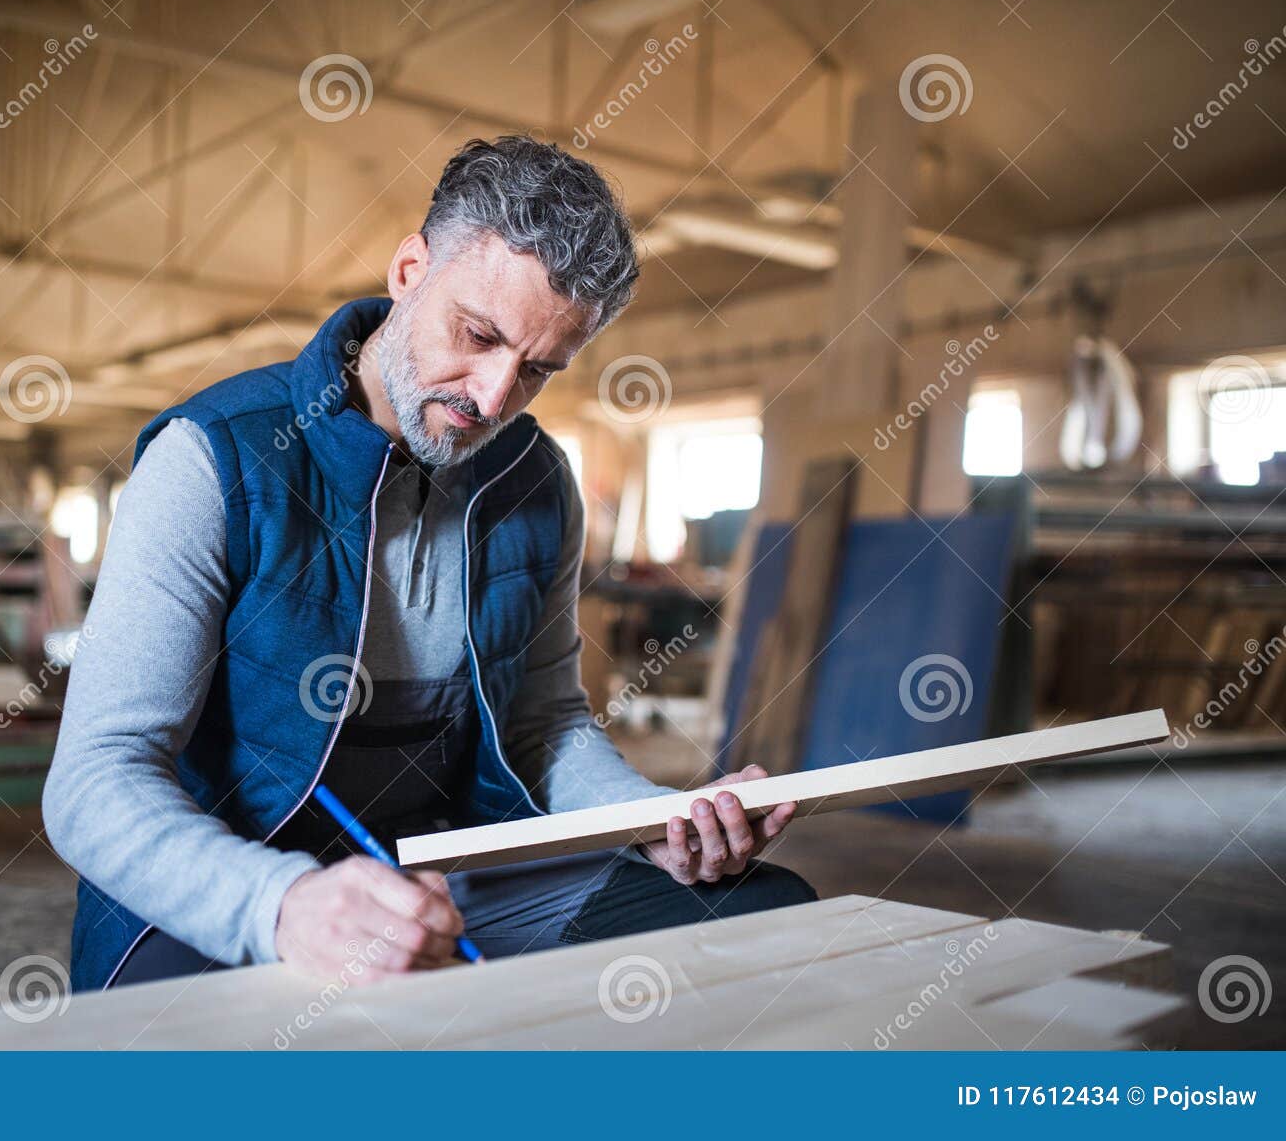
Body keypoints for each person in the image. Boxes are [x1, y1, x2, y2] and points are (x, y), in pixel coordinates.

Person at [43, 135, 816, 991]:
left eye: (539, 369)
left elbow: (543, 726)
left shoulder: (535, 480)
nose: (493, 398)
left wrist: (655, 821)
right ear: (409, 270)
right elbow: (95, 780)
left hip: (453, 882)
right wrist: (284, 905)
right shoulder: (213, 460)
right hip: (234, 882)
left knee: (761, 915)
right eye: (478, 334)